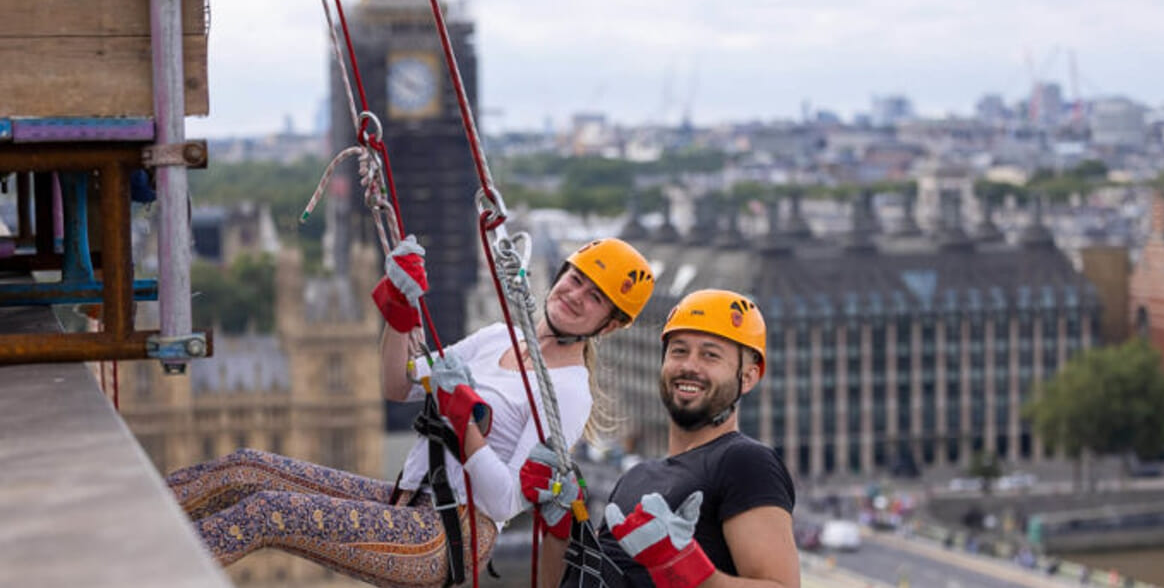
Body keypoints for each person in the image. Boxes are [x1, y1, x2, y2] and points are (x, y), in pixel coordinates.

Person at [166, 236, 655, 587]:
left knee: (266, 512)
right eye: (576, 279)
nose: (574, 296)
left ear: (608, 325)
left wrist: (467, 427)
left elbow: (506, 502)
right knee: (245, 467)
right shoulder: (500, 336)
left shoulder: (569, 391)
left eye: (595, 298)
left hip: (447, 538)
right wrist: (400, 316)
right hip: (409, 499)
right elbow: (398, 384)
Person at [522, 289, 800, 588]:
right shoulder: (634, 478)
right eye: (679, 351)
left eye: (710, 355)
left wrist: (683, 567)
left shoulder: (744, 462)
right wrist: (558, 531)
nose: (689, 366)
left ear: (748, 376)